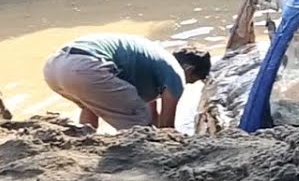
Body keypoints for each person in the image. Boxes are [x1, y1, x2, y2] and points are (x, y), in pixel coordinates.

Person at [42, 34, 211, 132]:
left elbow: (152, 112)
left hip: (54, 67)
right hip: (85, 67)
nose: (187, 85)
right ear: (188, 69)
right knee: (141, 130)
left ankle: (86, 139)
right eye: (192, 81)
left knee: (91, 105)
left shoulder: (154, 62)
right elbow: (167, 126)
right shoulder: (176, 74)